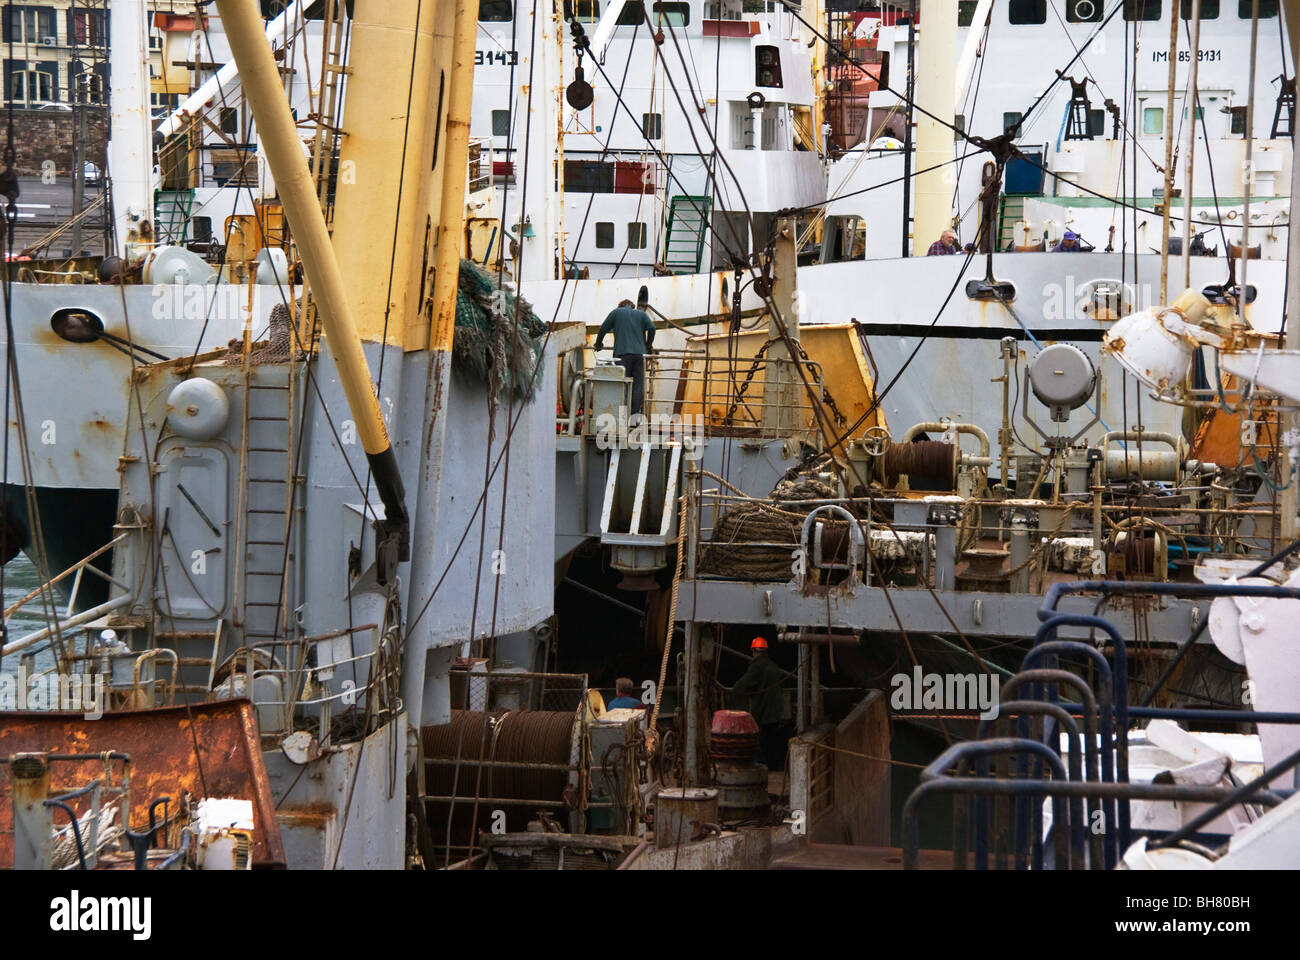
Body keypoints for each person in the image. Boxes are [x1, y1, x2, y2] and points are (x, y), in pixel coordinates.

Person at [729, 637, 789, 771]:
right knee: (772, 743)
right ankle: (774, 767)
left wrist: (740, 708)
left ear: (754, 651)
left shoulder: (757, 667)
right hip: (776, 714)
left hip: (762, 714)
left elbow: (740, 687)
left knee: (759, 745)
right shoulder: (774, 667)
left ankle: (761, 769)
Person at [593, 298, 655, 415]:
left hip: (622, 356)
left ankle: (622, 415)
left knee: (623, 385)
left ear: (620, 306)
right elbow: (652, 328)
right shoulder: (641, 314)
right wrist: (648, 345)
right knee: (637, 386)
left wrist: (598, 344)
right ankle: (634, 415)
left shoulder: (616, 312)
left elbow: (603, 329)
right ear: (632, 306)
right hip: (639, 356)